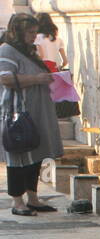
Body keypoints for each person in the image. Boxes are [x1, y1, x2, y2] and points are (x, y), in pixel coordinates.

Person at [0, 14, 59, 216]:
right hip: (18, 112)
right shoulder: (7, 50)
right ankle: (18, 202)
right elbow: (6, 78)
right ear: (18, 32)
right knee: (18, 156)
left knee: (35, 156)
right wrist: (36, 78)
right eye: (30, 33)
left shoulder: (29, 50)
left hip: (36, 112)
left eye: (35, 33)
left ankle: (33, 198)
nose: (34, 37)